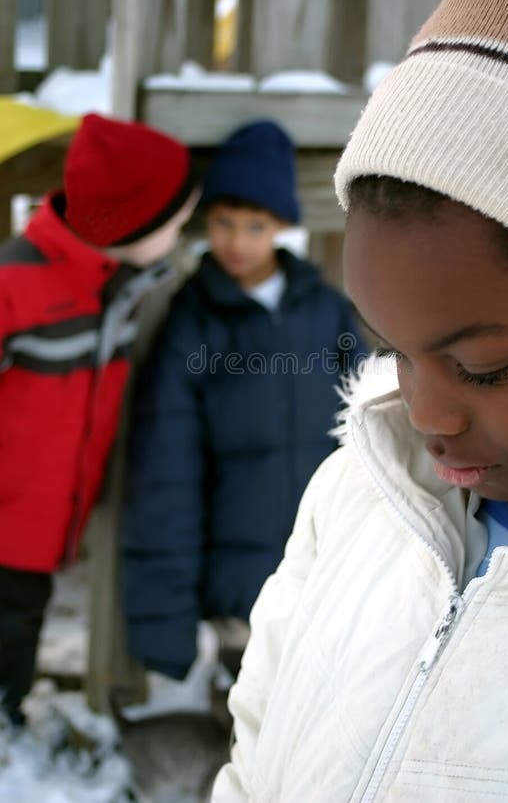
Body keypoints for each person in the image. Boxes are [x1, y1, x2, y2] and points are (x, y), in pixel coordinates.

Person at [211, 0, 508, 801]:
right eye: (393, 352)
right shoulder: (359, 494)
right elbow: (256, 751)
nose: (424, 416)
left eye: (485, 367)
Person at [121, 119, 367, 687]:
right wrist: (170, 630)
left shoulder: (325, 313)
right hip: (233, 593)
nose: (236, 242)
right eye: (223, 223)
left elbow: (368, 429)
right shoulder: (191, 325)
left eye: (254, 226)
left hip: (320, 575)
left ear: (280, 225)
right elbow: (165, 477)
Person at [0, 113, 199, 727]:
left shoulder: (117, 284)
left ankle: (9, 715)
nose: (181, 234)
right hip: (8, 509)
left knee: (21, 619)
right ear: (127, 226)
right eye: (175, 223)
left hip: (49, 517)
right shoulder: (18, 283)